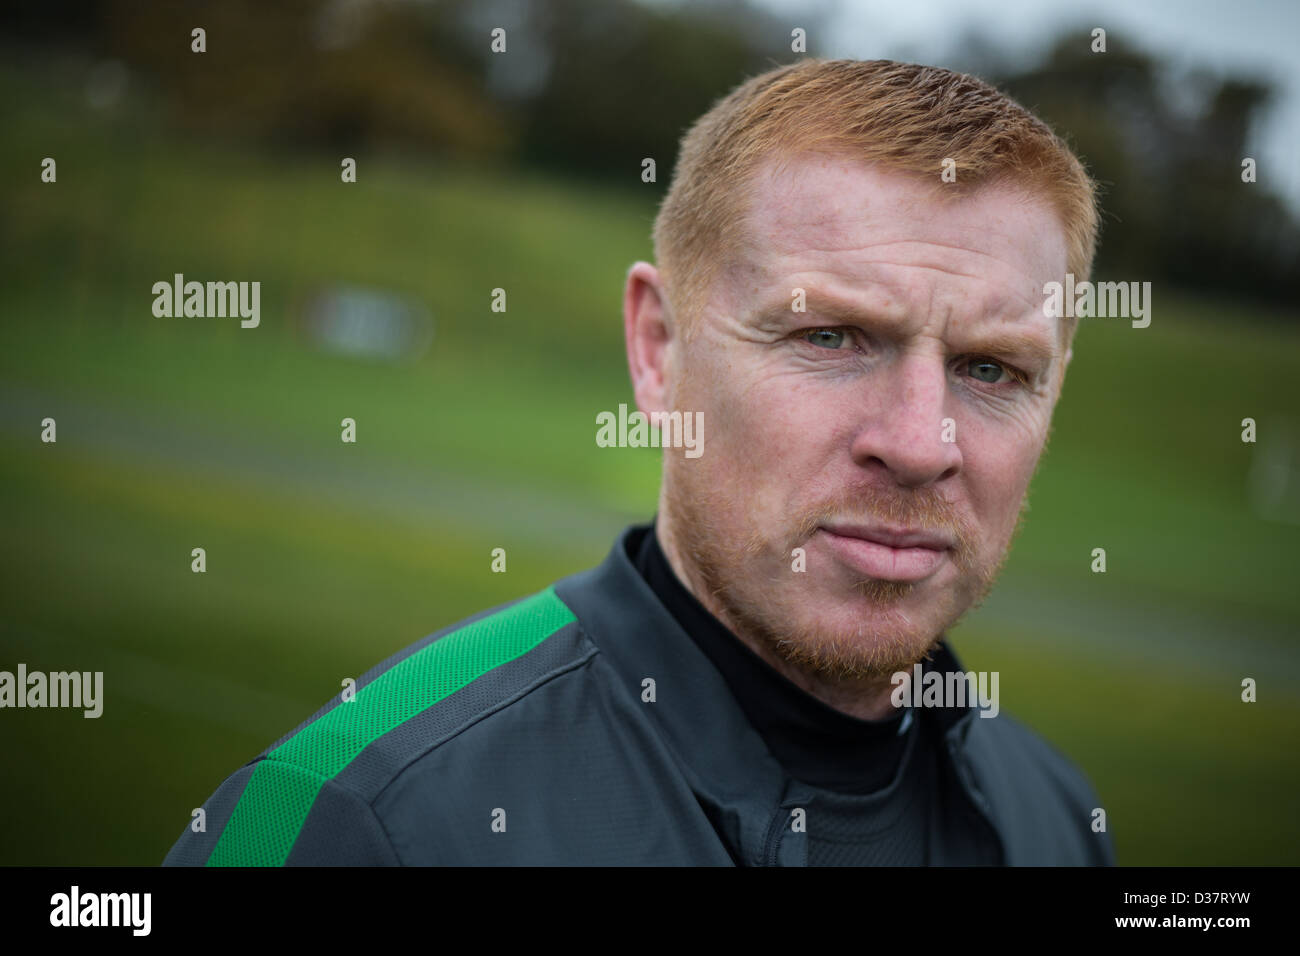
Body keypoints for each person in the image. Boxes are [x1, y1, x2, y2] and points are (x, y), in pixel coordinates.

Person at [164, 58, 1113, 866]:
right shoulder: (365, 818)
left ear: (1058, 389)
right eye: (831, 338)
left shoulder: (1058, 820)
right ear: (658, 350)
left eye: (992, 369)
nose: (917, 444)